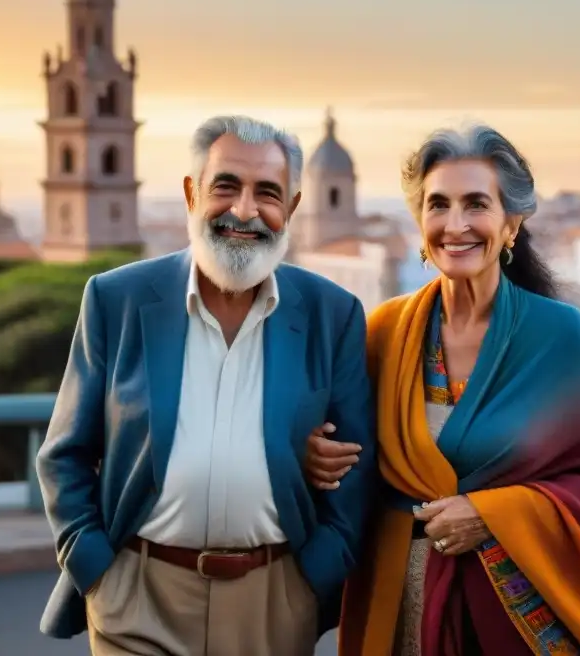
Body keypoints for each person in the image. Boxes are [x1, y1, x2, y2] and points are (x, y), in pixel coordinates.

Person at [36, 115, 377, 655]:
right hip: (138, 596)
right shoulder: (116, 299)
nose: (245, 210)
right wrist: (97, 569)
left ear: (290, 208)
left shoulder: (332, 315)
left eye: (267, 192)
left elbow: (358, 469)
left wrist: (312, 579)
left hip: (274, 600)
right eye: (226, 186)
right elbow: (65, 454)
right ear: (193, 193)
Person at [306, 124, 580, 655]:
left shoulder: (561, 336)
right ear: (419, 222)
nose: (455, 224)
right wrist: (318, 457)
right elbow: (349, 453)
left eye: (476, 204)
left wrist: (494, 513)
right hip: (403, 603)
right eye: (438, 205)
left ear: (511, 223)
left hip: (518, 613)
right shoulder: (383, 332)